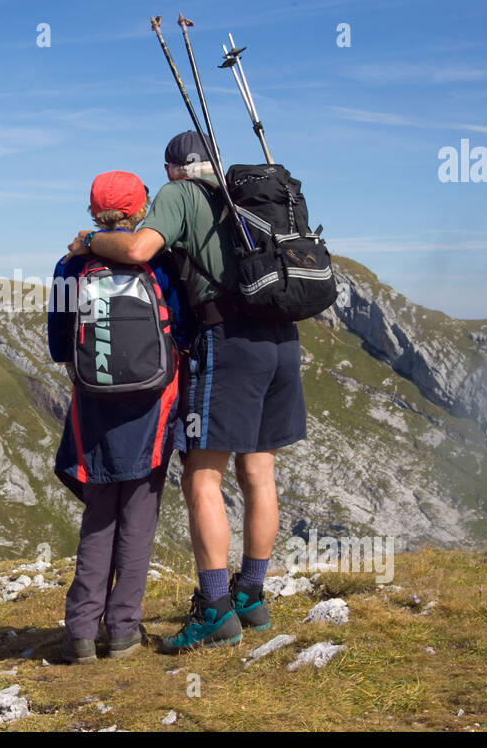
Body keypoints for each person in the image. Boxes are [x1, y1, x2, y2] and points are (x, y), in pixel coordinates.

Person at [66, 132, 307, 653]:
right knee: (259, 472)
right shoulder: (248, 197)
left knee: (202, 476)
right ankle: (252, 598)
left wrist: (87, 243)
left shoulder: (181, 195)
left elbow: (138, 248)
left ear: (172, 169)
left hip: (231, 342)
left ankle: (216, 611)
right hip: (283, 339)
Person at [48, 170, 196, 663]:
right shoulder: (159, 261)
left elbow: (56, 344)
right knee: (140, 515)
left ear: (95, 212)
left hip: (93, 408)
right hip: (152, 408)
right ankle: (125, 632)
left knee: (99, 515)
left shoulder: (70, 266)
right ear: (140, 211)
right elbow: (184, 330)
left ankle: (82, 634)